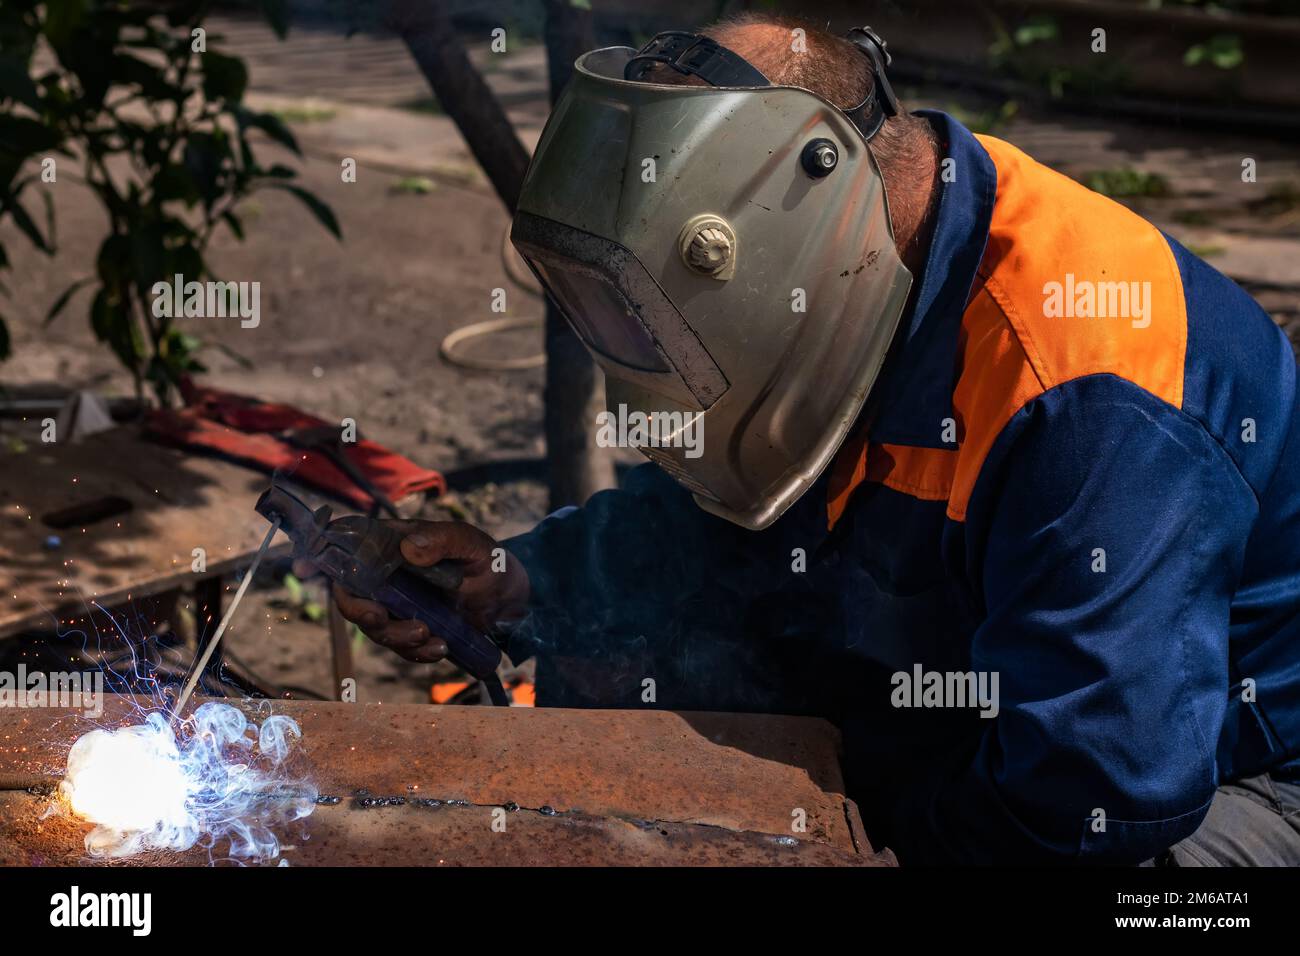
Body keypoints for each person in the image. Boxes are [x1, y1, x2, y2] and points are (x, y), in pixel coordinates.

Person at [326, 15, 1300, 865]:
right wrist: (525, 578)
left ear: (796, 200)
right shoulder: (873, 258)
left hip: (1230, 776)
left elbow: (1094, 795)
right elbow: (726, 515)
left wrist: (857, 847)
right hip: (1005, 696)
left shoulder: (1081, 389)